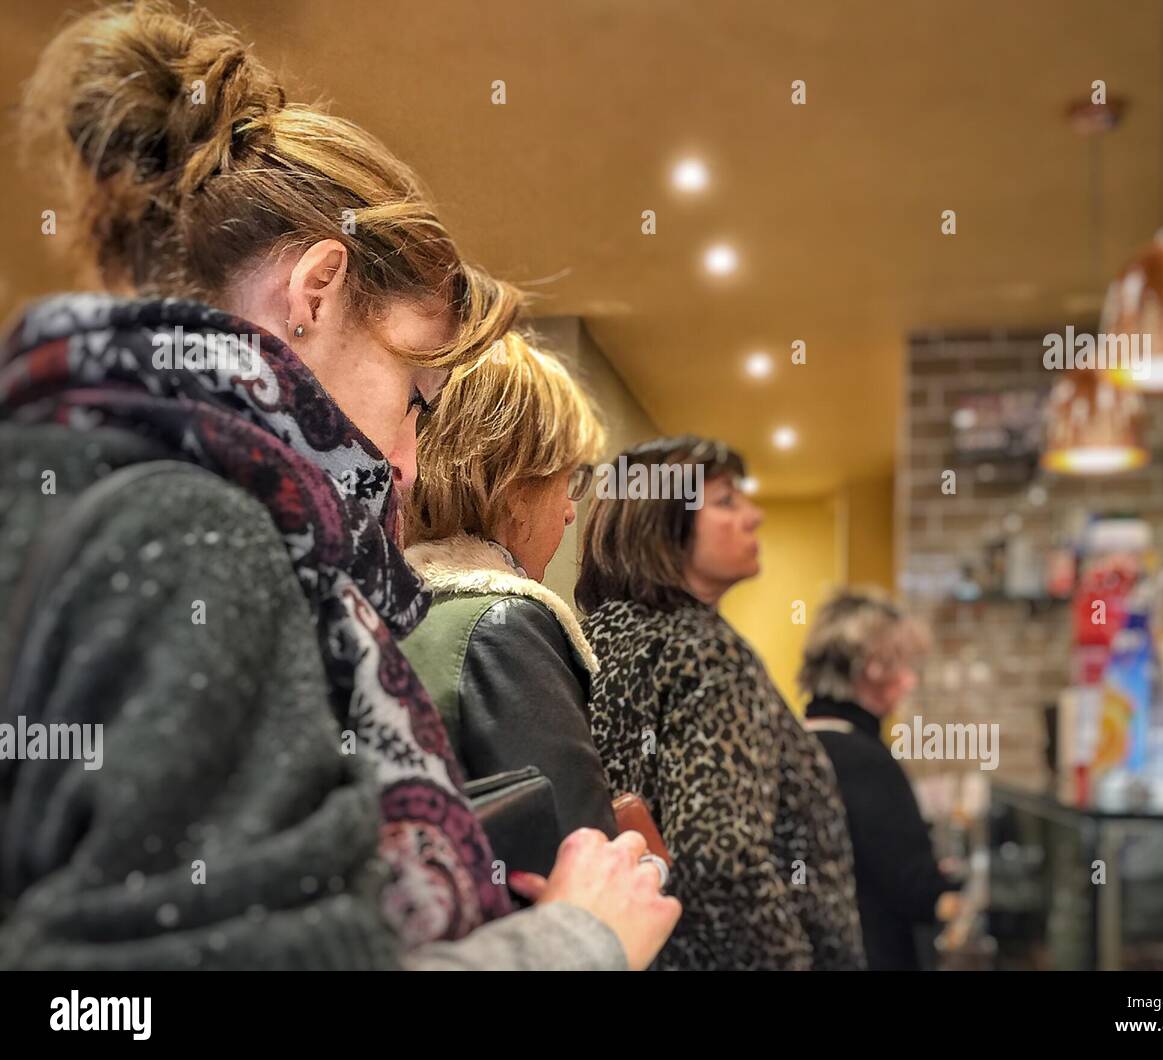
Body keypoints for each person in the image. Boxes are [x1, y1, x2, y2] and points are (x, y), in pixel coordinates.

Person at [0, 0, 678, 971]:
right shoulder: (194, 533)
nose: (408, 459)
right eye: (414, 396)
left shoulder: (80, 477)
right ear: (315, 292)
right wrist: (578, 939)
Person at [576, 436, 866, 970]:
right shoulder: (709, 652)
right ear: (662, 521)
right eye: (727, 501)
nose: (754, 516)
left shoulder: (593, 636)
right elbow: (720, 859)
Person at [402, 332, 617, 842]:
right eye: (568, 482)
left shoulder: (387, 605)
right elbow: (577, 853)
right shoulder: (504, 625)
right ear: (515, 486)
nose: (570, 512)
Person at [799, 588, 962, 970]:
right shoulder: (865, 761)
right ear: (870, 669)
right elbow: (914, 889)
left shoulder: (798, 742)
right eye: (902, 664)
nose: (910, 682)